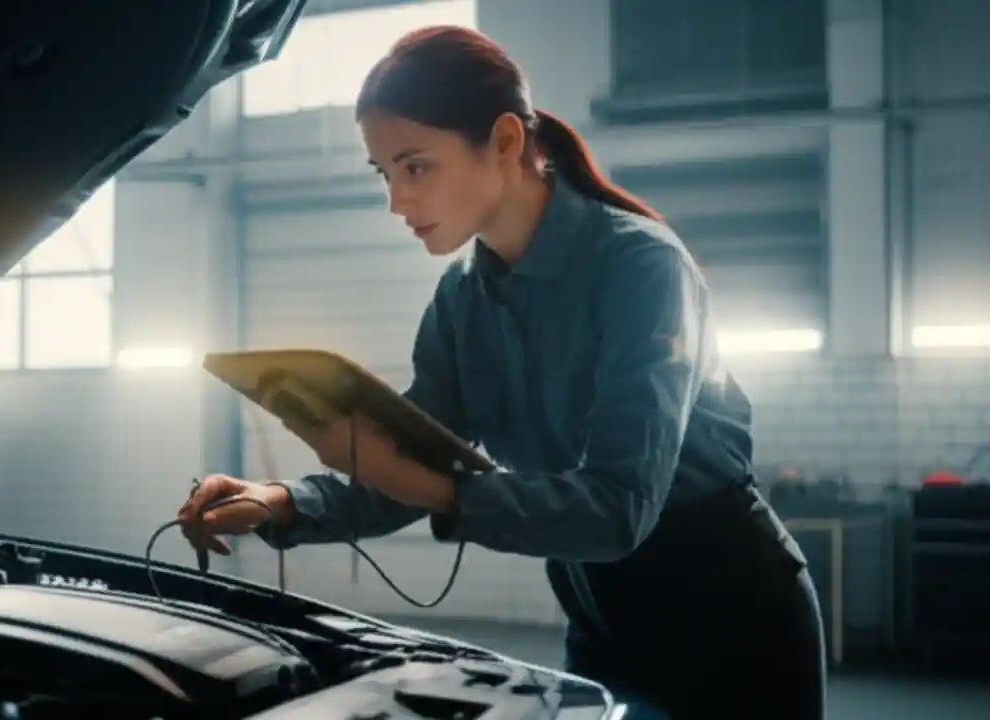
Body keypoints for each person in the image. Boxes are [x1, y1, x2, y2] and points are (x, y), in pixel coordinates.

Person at [178, 25, 826, 719]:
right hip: (603, 622)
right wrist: (282, 500)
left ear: (506, 141)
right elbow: (411, 465)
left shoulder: (643, 266)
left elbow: (618, 510)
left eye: (415, 167)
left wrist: (418, 482)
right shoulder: (461, 299)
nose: (396, 201)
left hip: (733, 620)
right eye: (384, 173)